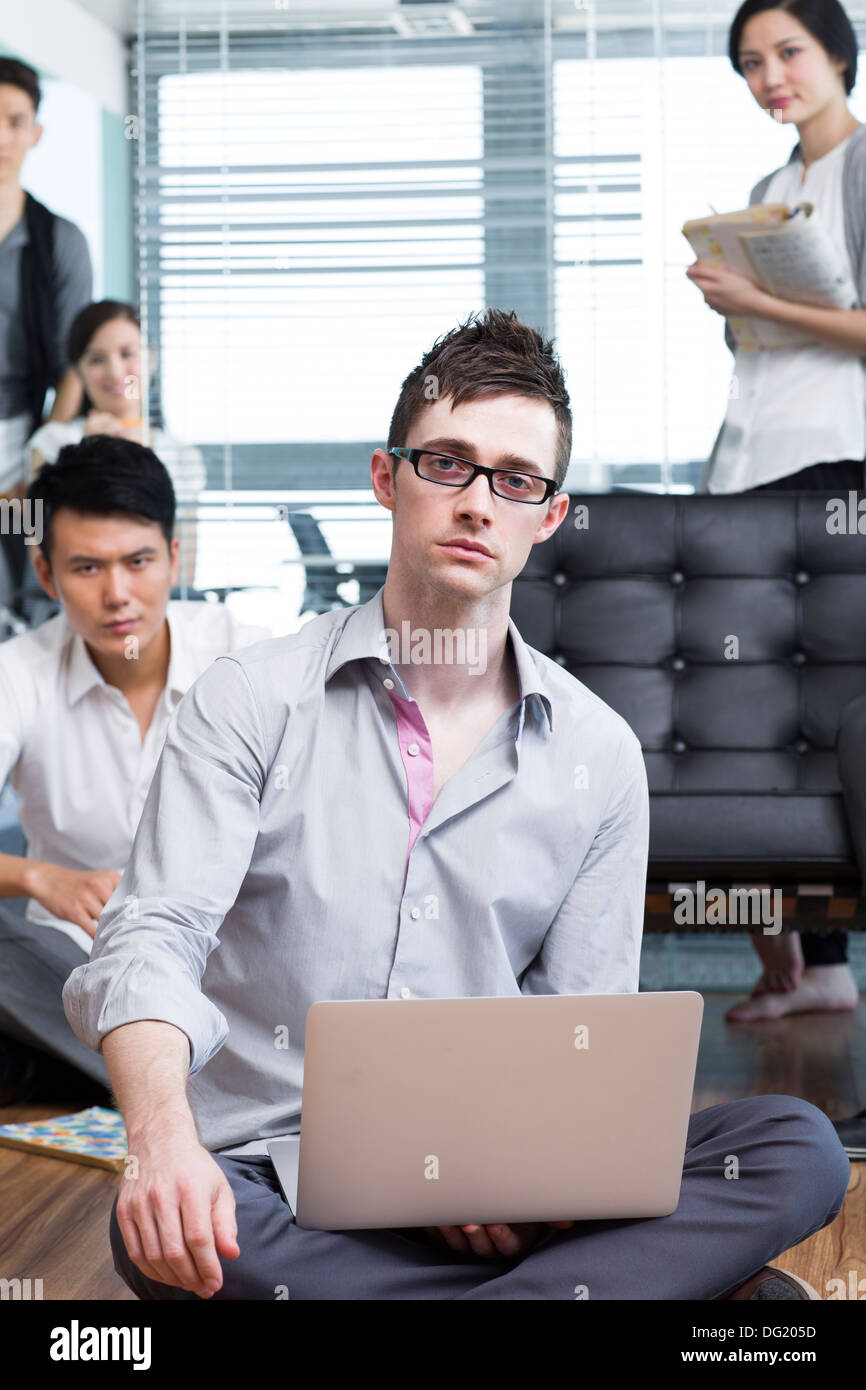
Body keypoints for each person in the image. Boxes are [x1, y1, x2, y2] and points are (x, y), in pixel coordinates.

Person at [62, 309, 848, 1301]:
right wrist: (162, 1142)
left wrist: (527, 1175)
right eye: (448, 464)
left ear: (548, 515)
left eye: (515, 479)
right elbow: (151, 938)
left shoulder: (597, 752)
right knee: (173, 1231)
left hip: (506, 1203)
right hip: (282, 1183)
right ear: (388, 478)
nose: (479, 502)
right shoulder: (250, 698)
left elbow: (580, 1033)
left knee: (794, 1144)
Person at [686, 0, 866, 1022]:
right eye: (750, 63)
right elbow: (768, 348)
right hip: (752, 461)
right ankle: (809, 962)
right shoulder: (769, 186)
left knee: (825, 708)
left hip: (835, 466)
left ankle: (827, 956)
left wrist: (761, 306)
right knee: (750, 709)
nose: (769, 77)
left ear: (837, 54)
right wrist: (734, 314)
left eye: (787, 53)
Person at [0, 435, 268, 1105]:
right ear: (45, 574)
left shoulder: (244, 656)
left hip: (224, 969)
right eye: (87, 568)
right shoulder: (18, 674)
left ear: (175, 558)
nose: (118, 594)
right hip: (70, 972)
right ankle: (192, 1092)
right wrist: (40, 877)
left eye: (139, 561)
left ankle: (125, 1083)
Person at [25, 300, 205, 588]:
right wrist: (87, 458)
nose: (115, 371)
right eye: (96, 359)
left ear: (151, 359)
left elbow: (183, 574)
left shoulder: (182, 456)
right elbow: (37, 550)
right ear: (79, 372)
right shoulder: (49, 445)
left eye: (127, 353)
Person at [0, 58, 91, 512]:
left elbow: (72, 364)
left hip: (20, 433)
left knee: (24, 554)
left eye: (15, 122)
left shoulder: (61, 242)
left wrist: (40, 461)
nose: (0, 137)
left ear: (34, 134)